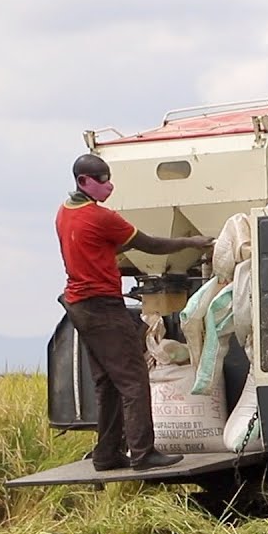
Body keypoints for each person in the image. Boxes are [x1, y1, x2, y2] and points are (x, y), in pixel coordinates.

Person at [56, 153, 214, 471]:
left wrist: (122, 246)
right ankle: (143, 453)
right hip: (102, 307)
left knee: (108, 383)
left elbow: (100, 248)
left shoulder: (64, 213)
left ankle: (107, 454)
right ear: (83, 181)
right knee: (134, 379)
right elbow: (150, 244)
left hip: (78, 307)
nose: (108, 185)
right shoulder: (102, 217)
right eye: (102, 179)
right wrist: (192, 241)